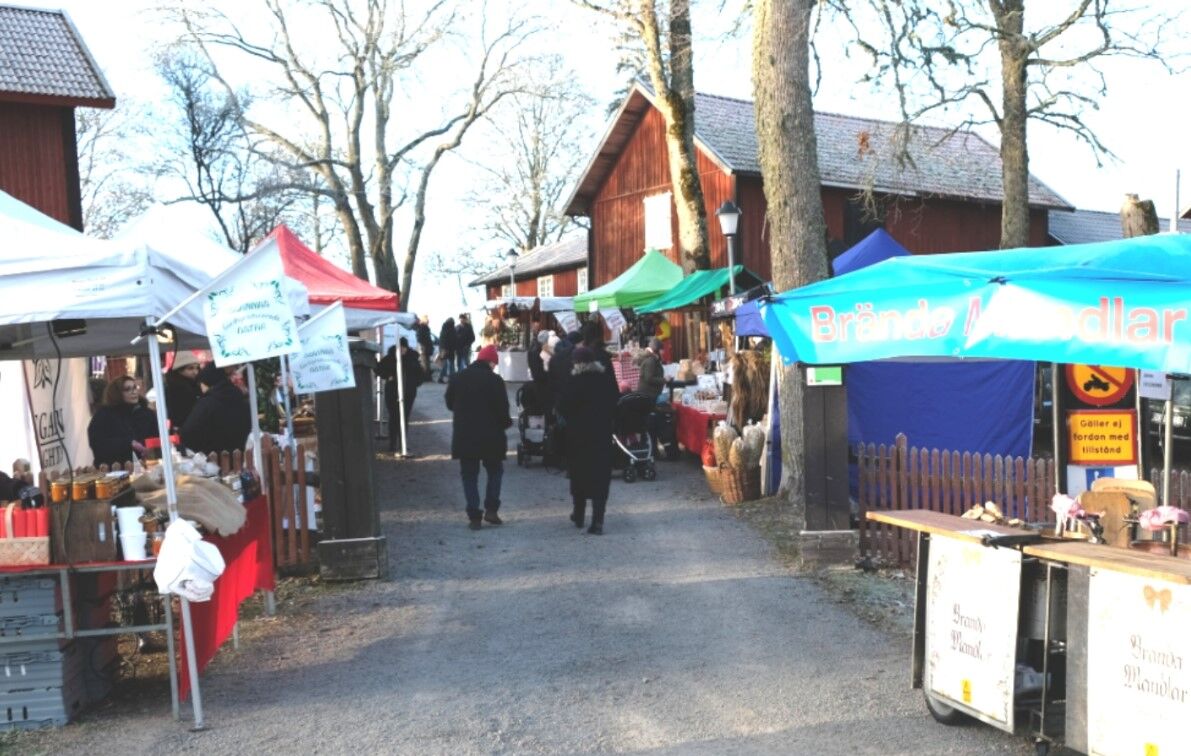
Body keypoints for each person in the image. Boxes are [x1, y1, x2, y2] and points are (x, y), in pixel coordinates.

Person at [445, 344, 511, 530]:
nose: (495, 367)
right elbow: (503, 410)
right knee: (495, 471)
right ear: (490, 362)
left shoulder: (458, 377)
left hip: (465, 435)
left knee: (469, 475)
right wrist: (505, 424)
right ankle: (491, 510)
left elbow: (449, 403)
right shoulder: (495, 381)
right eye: (494, 364)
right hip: (492, 436)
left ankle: (474, 516)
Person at [559, 346, 619, 534]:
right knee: (600, 477)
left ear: (577, 363)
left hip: (578, 436)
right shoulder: (605, 379)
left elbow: (562, 406)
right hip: (601, 434)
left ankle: (579, 515)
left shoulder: (573, 381)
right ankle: (597, 521)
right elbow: (615, 401)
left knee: (579, 475)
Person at [180, 364, 252, 456]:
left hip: (212, 457)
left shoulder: (206, 403)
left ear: (206, 383)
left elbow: (188, 434)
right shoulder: (241, 399)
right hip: (240, 456)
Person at [88, 376, 158, 467]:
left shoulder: (146, 414)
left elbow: (156, 437)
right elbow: (98, 444)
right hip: (113, 469)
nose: (134, 392)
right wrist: (129, 443)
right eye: (127, 389)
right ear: (117, 393)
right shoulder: (104, 415)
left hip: (145, 465)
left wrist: (150, 449)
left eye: (134, 388)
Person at [377, 339, 424, 450]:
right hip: (392, 392)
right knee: (394, 417)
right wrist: (388, 376)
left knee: (405, 417)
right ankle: (392, 444)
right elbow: (378, 368)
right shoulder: (390, 357)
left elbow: (421, 374)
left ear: (407, 348)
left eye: (404, 347)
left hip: (408, 393)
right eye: (400, 347)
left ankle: (403, 444)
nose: (402, 350)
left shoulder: (413, 358)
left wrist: (415, 383)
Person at [164, 351, 204, 431]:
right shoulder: (177, 388)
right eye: (190, 368)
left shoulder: (194, 384)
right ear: (179, 370)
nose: (195, 372)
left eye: (197, 368)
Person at [438, 317, 457, 384]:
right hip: (449, 349)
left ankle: (442, 377)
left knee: (445, 364)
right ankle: (451, 378)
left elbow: (442, 340)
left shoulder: (444, 328)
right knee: (450, 364)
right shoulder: (451, 329)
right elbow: (452, 339)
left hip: (445, 349)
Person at [415, 315, 434, 380]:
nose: (428, 321)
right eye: (427, 320)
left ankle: (427, 377)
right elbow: (420, 339)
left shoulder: (425, 328)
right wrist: (423, 347)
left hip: (426, 348)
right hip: (424, 348)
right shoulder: (421, 328)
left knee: (427, 363)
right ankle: (426, 377)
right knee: (424, 364)